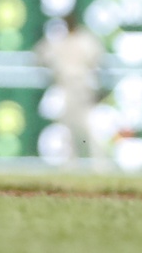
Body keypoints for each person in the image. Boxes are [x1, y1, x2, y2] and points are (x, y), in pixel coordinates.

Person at [33, 13, 103, 167]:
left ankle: (99, 165)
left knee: (88, 128)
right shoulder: (60, 40)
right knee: (68, 129)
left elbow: (97, 61)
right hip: (67, 87)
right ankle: (72, 164)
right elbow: (39, 55)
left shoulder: (83, 40)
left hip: (81, 87)